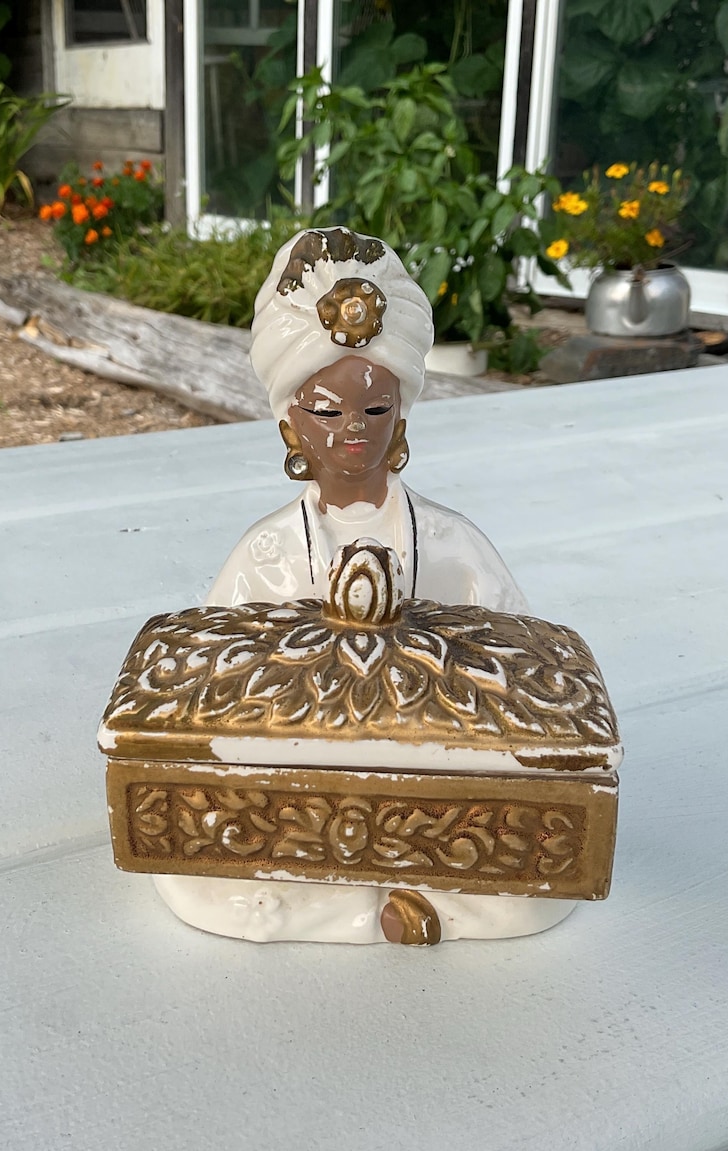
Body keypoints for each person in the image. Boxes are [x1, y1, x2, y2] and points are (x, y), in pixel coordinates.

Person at [154, 226, 574, 943]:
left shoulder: (454, 545)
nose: (354, 427)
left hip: (436, 800)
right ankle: (378, 903)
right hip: (300, 802)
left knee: (537, 867)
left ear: (401, 417)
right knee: (200, 861)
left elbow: (528, 683)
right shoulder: (266, 553)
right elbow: (207, 699)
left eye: (375, 410)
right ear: (290, 424)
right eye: (327, 411)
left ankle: (401, 893)